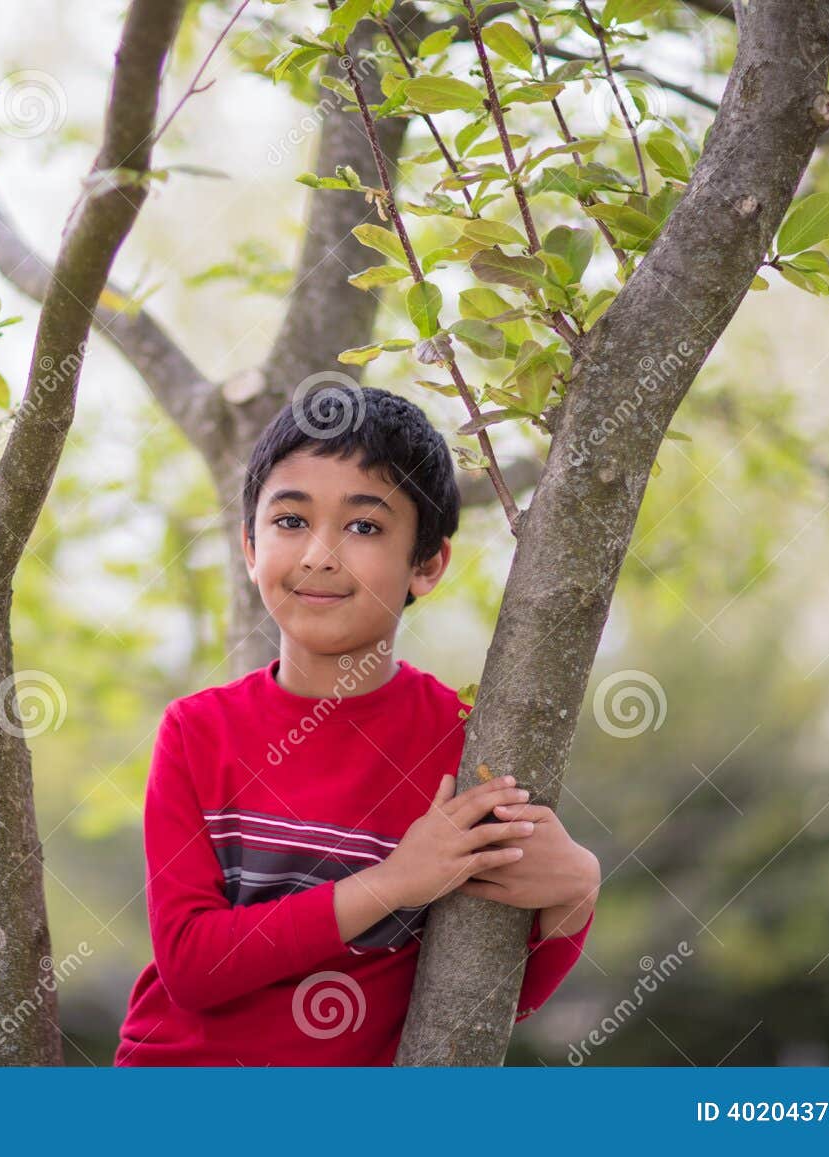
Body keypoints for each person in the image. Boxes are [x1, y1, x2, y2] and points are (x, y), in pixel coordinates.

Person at [114, 384, 600, 1066]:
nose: (319, 554)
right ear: (249, 545)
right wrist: (395, 882)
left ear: (426, 563)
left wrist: (576, 889)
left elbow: (497, 994)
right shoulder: (198, 732)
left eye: (364, 526)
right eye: (290, 521)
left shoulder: (465, 743)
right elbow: (192, 964)